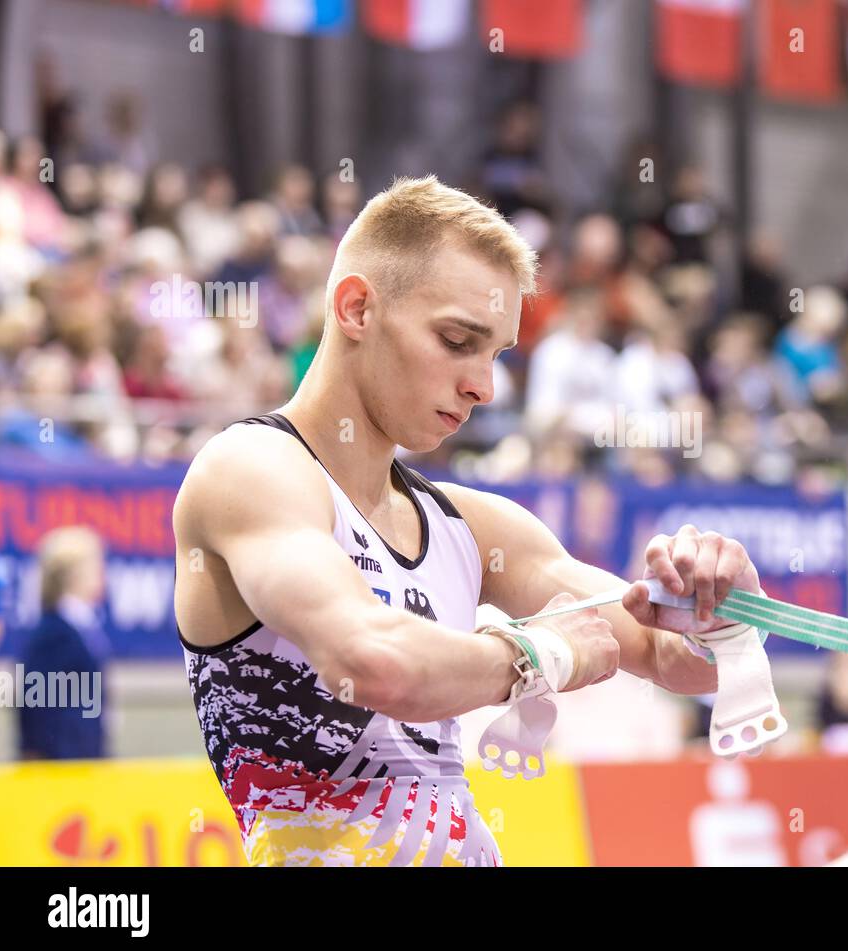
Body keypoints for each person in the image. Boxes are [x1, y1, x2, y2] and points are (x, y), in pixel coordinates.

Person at [172, 175, 763, 867]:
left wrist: (726, 611)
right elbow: (372, 661)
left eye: (497, 355)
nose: (483, 385)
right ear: (357, 307)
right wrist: (536, 653)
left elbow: (675, 660)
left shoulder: (469, 526)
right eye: (458, 340)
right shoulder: (247, 469)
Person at [18, 526, 111, 761]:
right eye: (96, 567)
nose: (102, 575)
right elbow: (38, 705)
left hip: (85, 759)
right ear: (74, 575)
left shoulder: (83, 626)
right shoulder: (53, 634)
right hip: (62, 763)